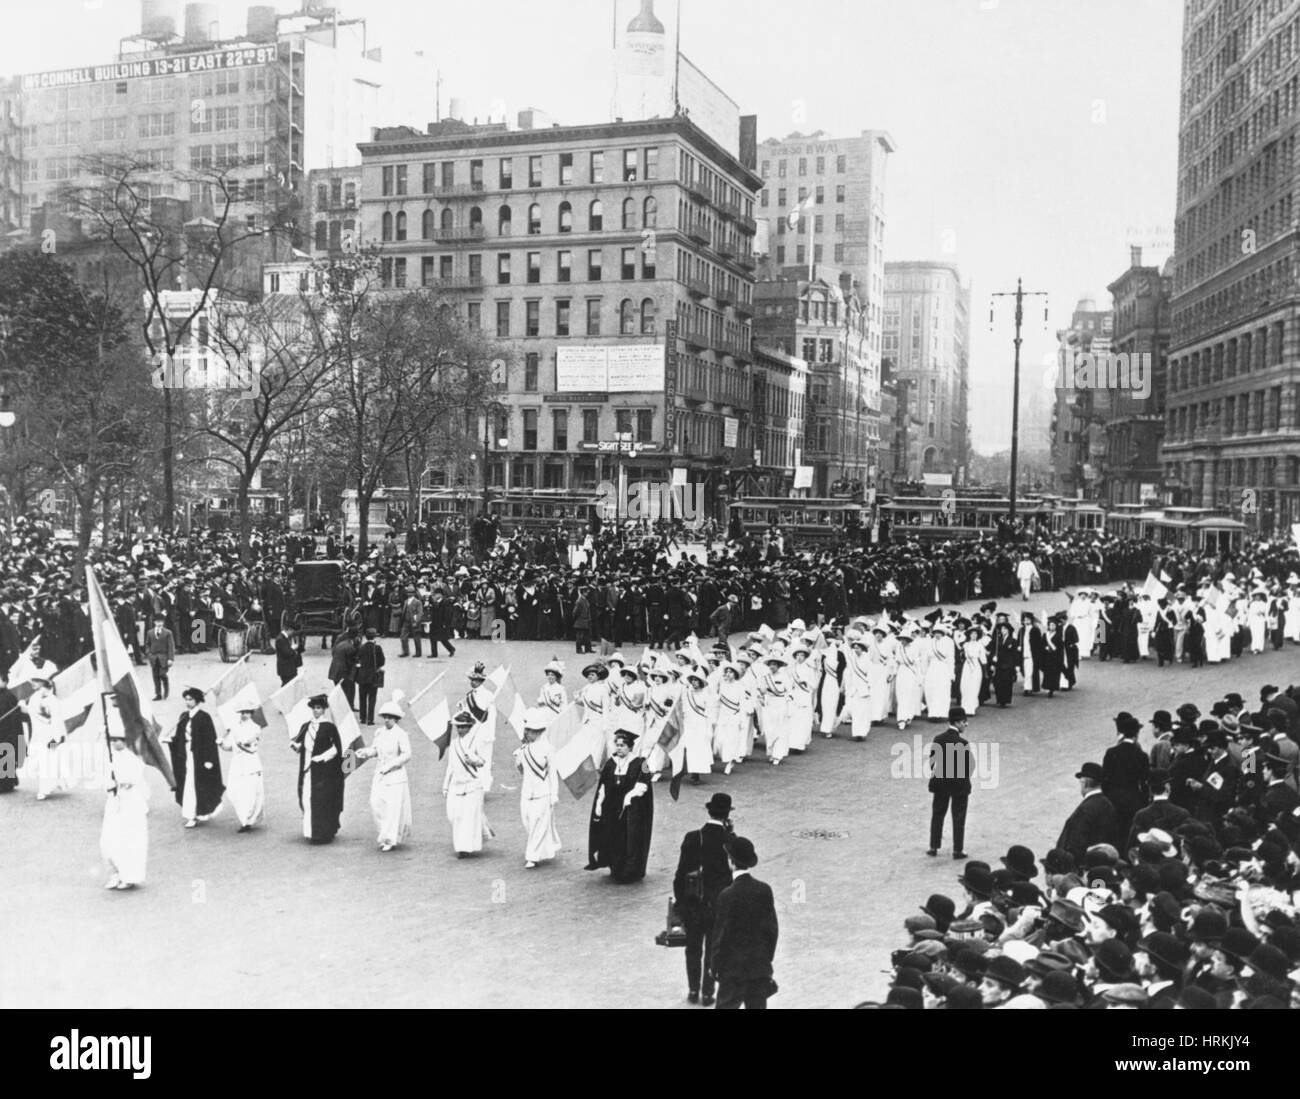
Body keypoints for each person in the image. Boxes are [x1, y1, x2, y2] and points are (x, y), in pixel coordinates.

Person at [673, 792, 734, 1005]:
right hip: (717, 905)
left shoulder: (692, 837)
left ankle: (692, 990)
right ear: (726, 815)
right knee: (711, 952)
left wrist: (680, 903)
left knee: (693, 949)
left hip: (693, 903)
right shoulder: (730, 840)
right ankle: (708, 992)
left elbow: (680, 875)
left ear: (709, 812)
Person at [710, 836, 779, 1009]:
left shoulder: (727, 895)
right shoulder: (764, 890)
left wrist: (715, 965)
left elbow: (721, 935)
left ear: (731, 862)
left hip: (733, 971)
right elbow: (772, 931)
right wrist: (765, 959)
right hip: (758, 969)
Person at [586, 728, 654, 882]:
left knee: (629, 839)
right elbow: (603, 786)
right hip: (612, 808)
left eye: (623, 745)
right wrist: (599, 804)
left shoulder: (641, 763)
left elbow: (644, 785)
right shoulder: (610, 763)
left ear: (630, 747)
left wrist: (630, 796)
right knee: (612, 837)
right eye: (617, 745)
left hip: (631, 810)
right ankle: (615, 867)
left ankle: (630, 870)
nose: (619, 748)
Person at [355, 700, 413, 852]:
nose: (387, 720)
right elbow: (375, 750)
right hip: (380, 774)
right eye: (385, 717)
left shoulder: (401, 734)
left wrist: (392, 765)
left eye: (390, 717)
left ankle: (389, 839)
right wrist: (365, 752)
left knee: (392, 808)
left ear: (396, 719)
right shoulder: (379, 733)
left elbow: (407, 754)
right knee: (376, 804)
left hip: (395, 776)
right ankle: (383, 833)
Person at [101, 716, 149, 891]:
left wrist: (118, 782)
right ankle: (114, 874)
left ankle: (129, 875)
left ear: (125, 741)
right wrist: (109, 784)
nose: (114, 743)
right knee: (108, 840)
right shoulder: (110, 759)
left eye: (118, 740)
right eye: (112, 740)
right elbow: (105, 778)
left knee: (129, 839)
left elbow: (132, 779)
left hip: (130, 802)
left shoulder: (133, 759)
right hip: (114, 802)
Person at [166, 687, 224, 829]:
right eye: (186, 699)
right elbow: (179, 736)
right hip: (185, 756)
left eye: (190, 699)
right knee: (187, 783)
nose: (188, 702)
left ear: (197, 700)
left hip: (199, 757)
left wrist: (209, 759)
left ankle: (196, 813)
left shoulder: (204, 717)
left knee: (197, 784)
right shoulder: (184, 716)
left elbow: (210, 739)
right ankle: (191, 813)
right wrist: (170, 741)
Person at [291, 695, 345, 845]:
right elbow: (302, 745)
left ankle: (322, 832)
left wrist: (322, 758)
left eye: (319, 708)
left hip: (323, 772)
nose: (316, 711)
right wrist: (297, 747)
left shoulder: (329, 727)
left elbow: (336, 749)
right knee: (307, 798)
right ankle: (310, 831)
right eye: (314, 708)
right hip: (307, 769)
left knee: (321, 800)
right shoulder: (306, 726)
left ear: (324, 709)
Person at [513, 707, 561, 868]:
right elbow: (521, 772)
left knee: (538, 823)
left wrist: (554, 794)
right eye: (527, 730)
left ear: (539, 731)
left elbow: (553, 774)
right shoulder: (523, 749)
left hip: (543, 793)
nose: (527, 733)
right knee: (528, 822)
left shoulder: (548, 749)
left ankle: (531, 857)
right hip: (526, 792)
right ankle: (542, 850)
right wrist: (517, 760)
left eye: (531, 731)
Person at [443, 709, 491, 857]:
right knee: (453, 816)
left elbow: (483, 761)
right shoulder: (454, 744)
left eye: (463, 726)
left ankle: (463, 848)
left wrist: (473, 760)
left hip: (472, 784)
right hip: (455, 785)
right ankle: (480, 833)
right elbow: (450, 766)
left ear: (469, 727)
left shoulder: (477, 741)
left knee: (467, 817)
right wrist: (445, 784)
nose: (460, 729)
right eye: (458, 726)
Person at [927, 707, 973, 860]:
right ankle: (957, 850)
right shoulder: (963, 742)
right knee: (959, 817)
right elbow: (969, 766)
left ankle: (933, 847)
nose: (966, 724)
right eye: (964, 722)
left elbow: (932, 764)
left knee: (938, 815)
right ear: (958, 722)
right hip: (959, 786)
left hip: (940, 784)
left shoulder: (938, 739)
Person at [1056, 761, 1120, 866]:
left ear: (1085, 782)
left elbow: (1075, 844)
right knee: (1099, 883)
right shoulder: (1108, 804)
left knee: (1096, 883)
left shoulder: (1085, 809)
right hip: (1104, 865)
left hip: (1087, 868)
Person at [1102, 712, 1150, 844]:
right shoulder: (1142, 756)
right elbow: (1144, 782)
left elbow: (1105, 778)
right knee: (1128, 833)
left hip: (1113, 799)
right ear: (1136, 734)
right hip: (1133, 800)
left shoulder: (1111, 752)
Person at [219, 698, 266, 833]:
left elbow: (245, 743)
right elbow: (229, 747)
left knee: (250, 792)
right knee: (233, 791)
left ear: (251, 713)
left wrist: (233, 732)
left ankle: (247, 821)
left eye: (247, 712)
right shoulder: (235, 726)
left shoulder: (255, 728)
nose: (244, 715)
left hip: (250, 762)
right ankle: (245, 817)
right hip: (237, 764)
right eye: (242, 712)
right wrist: (221, 743)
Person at [355, 628, 385, 726]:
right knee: (372, 698)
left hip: (362, 677)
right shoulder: (377, 648)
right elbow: (382, 661)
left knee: (362, 698)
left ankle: (363, 718)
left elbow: (357, 659)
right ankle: (370, 719)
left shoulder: (361, 647)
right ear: (375, 636)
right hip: (373, 677)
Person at [0, 669, 21, 793]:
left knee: (5, 755)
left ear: (5, 681)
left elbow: (14, 717)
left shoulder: (9, 697)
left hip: (7, 731)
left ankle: (6, 785)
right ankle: (7, 781)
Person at [147, 614, 175, 700]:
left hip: (164, 657)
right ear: (154, 622)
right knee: (155, 676)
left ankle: (166, 691)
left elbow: (171, 646)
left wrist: (170, 658)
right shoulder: (150, 632)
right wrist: (149, 654)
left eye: (161, 621)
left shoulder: (168, 633)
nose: (159, 623)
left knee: (162, 674)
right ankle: (158, 694)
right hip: (154, 657)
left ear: (163, 622)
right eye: (157, 621)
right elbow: (147, 644)